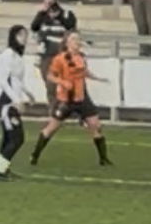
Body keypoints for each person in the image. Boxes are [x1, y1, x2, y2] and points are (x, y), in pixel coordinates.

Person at [29, 31, 112, 167]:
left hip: (82, 97)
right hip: (65, 99)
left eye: (78, 39)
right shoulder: (60, 58)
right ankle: (35, 155)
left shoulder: (81, 57)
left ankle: (103, 159)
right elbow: (50, 76)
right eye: (74, 39)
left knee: (95, 126)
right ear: (67, 42)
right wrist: (62, 82)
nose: (77, 42)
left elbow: (84, 72)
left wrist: (98, 78)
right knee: (52, 128)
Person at [0, 25, 36, 182]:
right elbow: (4, 81)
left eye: (26, 35)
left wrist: (28, 94)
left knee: (9, 137)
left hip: (12, 102)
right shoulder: (8, 54)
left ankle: (2, 169)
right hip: (6, 104)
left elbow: (17, 80)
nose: (24, 39)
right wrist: (16, 101)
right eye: (21, 35)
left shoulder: (18, 57)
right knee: (17, 138)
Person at [30, 0, 77, 113]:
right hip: (46, 55)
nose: (48, 1)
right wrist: (42, 13)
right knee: (50, 84)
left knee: (65, 83)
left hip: (62, 55)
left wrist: (59, 16)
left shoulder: (66, 13)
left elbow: (70, 26)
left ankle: (66, 107)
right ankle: (54, 110)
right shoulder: (42, 15)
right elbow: (34, 27)